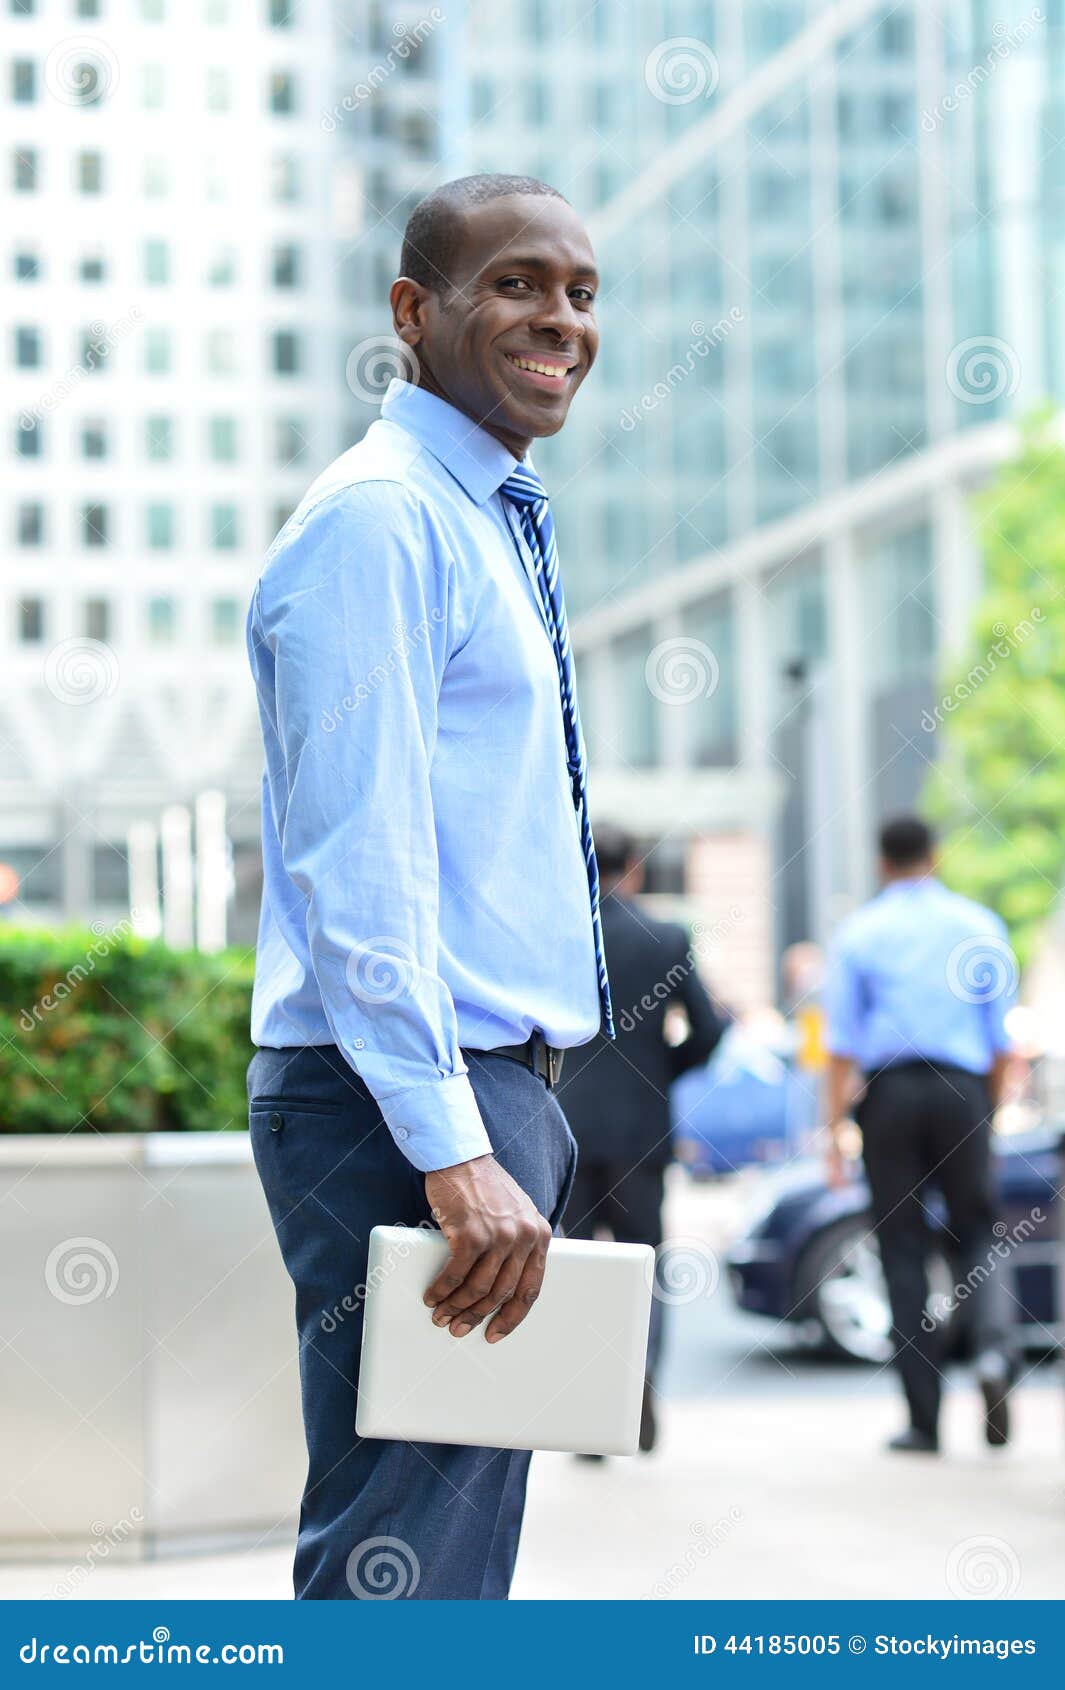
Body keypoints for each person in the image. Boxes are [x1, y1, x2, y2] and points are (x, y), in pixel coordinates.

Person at [245, 175, 613, 1600]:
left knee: (443, 1572)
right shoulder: (383, 521)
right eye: (518, 283)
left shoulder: (481, 516)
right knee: (402, 1572)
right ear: (414, 310)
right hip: (408, 1104)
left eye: (581, 293)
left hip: (475, 1092)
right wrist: (455, 1148)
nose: (562, 320)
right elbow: (361, 859)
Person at [823, 815, 1017, 1455]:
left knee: (902, 1249)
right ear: (934, 856)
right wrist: (989, 1112)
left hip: (891, 1097)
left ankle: (924, 1420)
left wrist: (832, 1131)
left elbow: (842, 1047)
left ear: (881, 862)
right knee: (978, 1232)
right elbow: (1001, 1044)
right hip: (963, 1090)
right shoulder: (979, 926)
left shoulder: (861, 932)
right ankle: (993, 1354)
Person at [559, 824, 725, 1453]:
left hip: (566, 1131)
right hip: (640, 1136)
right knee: (642, 1268)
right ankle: (641, 1383)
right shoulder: (666, 937)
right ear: (633, 868)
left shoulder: (562, 932)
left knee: (574, 1271)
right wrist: (660, 1071)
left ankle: (585, 1411)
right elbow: (709, 1030)